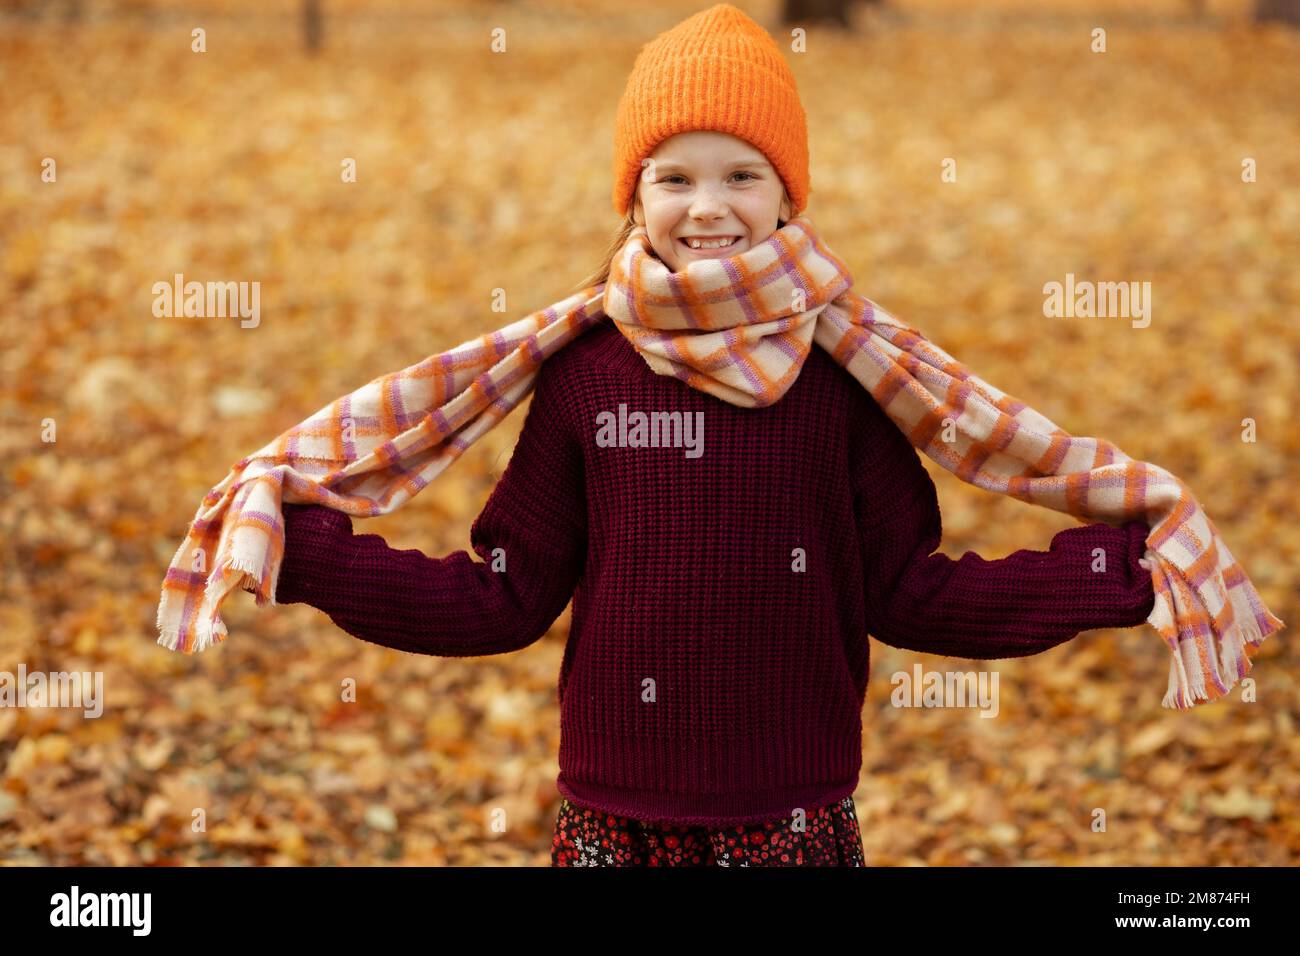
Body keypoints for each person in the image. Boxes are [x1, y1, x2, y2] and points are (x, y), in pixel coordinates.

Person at [269, 4, 1156, 867]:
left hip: (790, 819)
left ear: (786, 196)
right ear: (634, 195)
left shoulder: (842, 377)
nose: (707, 207)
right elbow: (501, 596)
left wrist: (1116, 571)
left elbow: (908, 590)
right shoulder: (586, 374)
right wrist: (302, 552)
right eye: (675, 177)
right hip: (614, 823)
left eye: (741, 175)